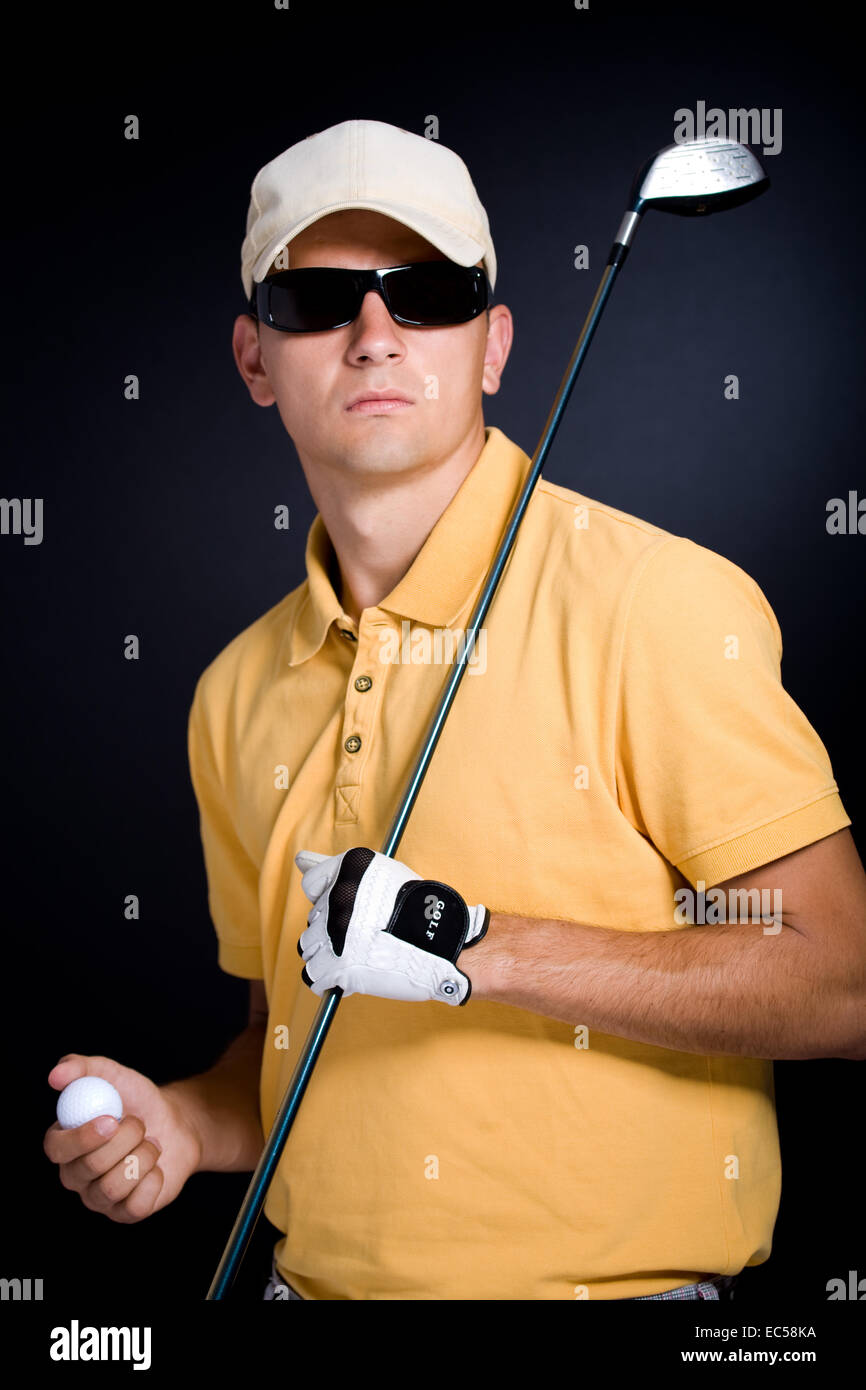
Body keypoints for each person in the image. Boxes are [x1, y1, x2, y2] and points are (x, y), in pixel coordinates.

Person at [44, 119, 866, 1302]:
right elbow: (292, 1043)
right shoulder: (231, 694)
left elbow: (840, 980)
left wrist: (468, 941)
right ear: (252, 357)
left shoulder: (658, 603)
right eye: (317, 299)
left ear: (492, 345)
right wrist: (182, 1122)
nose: (374, 336)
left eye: (423, 294)